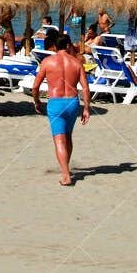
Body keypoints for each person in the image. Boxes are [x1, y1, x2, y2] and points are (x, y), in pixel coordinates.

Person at [31, 29, 90, 186]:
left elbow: (35, 87)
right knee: (68, 137)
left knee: (59, 140)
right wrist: (86, 108)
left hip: (56, 103)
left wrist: (36, 101)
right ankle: (66, 168)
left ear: (54, 47)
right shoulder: (76, 62)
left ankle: (65, 175)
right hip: (72, 102)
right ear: (68, 45)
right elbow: (85, 87)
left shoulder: (48, 62)